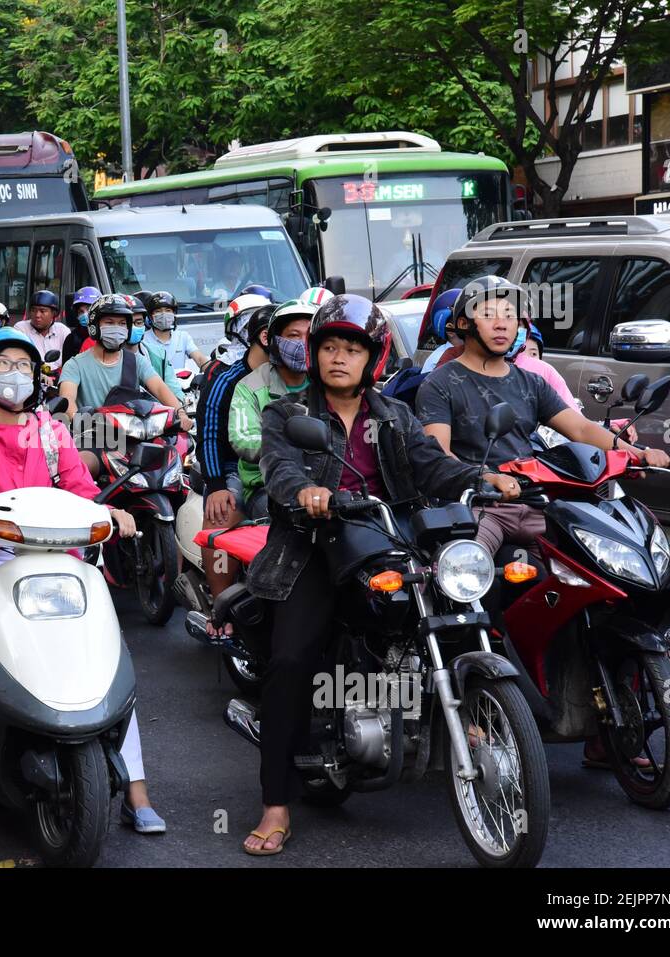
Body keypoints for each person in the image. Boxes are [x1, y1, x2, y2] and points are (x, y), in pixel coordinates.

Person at [241, 294, 521, 855]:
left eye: (351, 348)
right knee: (293, 659)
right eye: (328, 347)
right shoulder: (287, 415)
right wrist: (307, 493)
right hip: (312, 549)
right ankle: (275, 803)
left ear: (374, 358)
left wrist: (483, 477)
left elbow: (430, 464)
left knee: (466, 609)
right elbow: (279, 471)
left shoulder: (393, 414)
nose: (338, 358)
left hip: (389, 539)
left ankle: (467, 719)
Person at [0, 327, 166, 833]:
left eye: (24, 366)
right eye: (4, 365)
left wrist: (110, 511)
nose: (15, 376)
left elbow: (81, 487)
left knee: (106, 641)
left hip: (56, 555)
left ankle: (136, 787)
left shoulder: (53, 433)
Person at [416, 276, 670, 566]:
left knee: (601, 566)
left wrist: (637, 454)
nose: (502, 324)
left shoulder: (530, 382)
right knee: (463, 569)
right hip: (480, 505)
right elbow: (440, 454)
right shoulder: (440, 383)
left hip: (536, 502)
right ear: (464, 323)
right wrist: (486, 477)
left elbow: (580, 428)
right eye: (488, 315)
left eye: (510, 315)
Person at [191, 293, 270, 604]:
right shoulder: (226, 380)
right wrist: (217, 485)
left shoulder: (295, 380)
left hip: (278, 470)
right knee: (220, 518)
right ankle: (222, 603)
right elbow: (208, 435)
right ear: (265, 337)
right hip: (230, 468)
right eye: (290, 335)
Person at [58, 294, 190, 478]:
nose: (117, 328)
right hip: (94, 437)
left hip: (135, 436)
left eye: (122, 324)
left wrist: (180, 413)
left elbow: (160, 388)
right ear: (95, 326)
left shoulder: (136, 361)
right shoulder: (75, 364)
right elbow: (67, 400)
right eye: (109, 322)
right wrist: (80, 419)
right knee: (82, 467)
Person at [228, 298, 318, 520]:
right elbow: (242, 438)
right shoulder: (249, 386)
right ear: (275, 341)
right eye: (293, 336)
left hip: (324, 481)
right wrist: (290, 445)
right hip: (267, 487)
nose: (302, 343)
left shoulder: (326, 382)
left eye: (309, 336)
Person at [143, 290, 207, 376]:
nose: (164, 314)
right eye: (158, 311)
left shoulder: (183, 337)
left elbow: (199, 359)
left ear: (174, 314)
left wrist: (213, 372)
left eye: (168, 310)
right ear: (150, 316)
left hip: (181, 386)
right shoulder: (143, 340)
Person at [13, 290, 69, 375]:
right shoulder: (21, 329)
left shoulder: (62, 330)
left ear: (54, 313)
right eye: (33, 310)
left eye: (43, 311)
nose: (37, 315)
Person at [59, 286, 100, 364]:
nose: (85, 314)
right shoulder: (71, 339)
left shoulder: (106, 335)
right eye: (81, 311)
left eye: (89, 309)